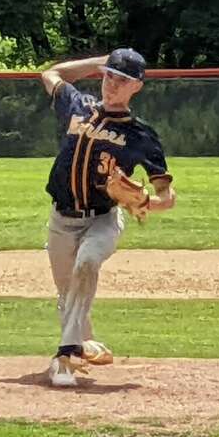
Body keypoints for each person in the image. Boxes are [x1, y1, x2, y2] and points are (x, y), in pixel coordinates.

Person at [40, 49, 176, 387]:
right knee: (68, 292)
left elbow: (167, 197)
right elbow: (51, 74)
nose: (112, 84)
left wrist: (145, 201)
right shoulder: (78, 105)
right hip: (61, 220)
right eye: (109, 76)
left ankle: (66, 356)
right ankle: (84, 340)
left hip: (102, 219)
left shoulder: (140, 135)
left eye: (122, 80)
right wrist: (97, 62)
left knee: (87, 262)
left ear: (137, 87)